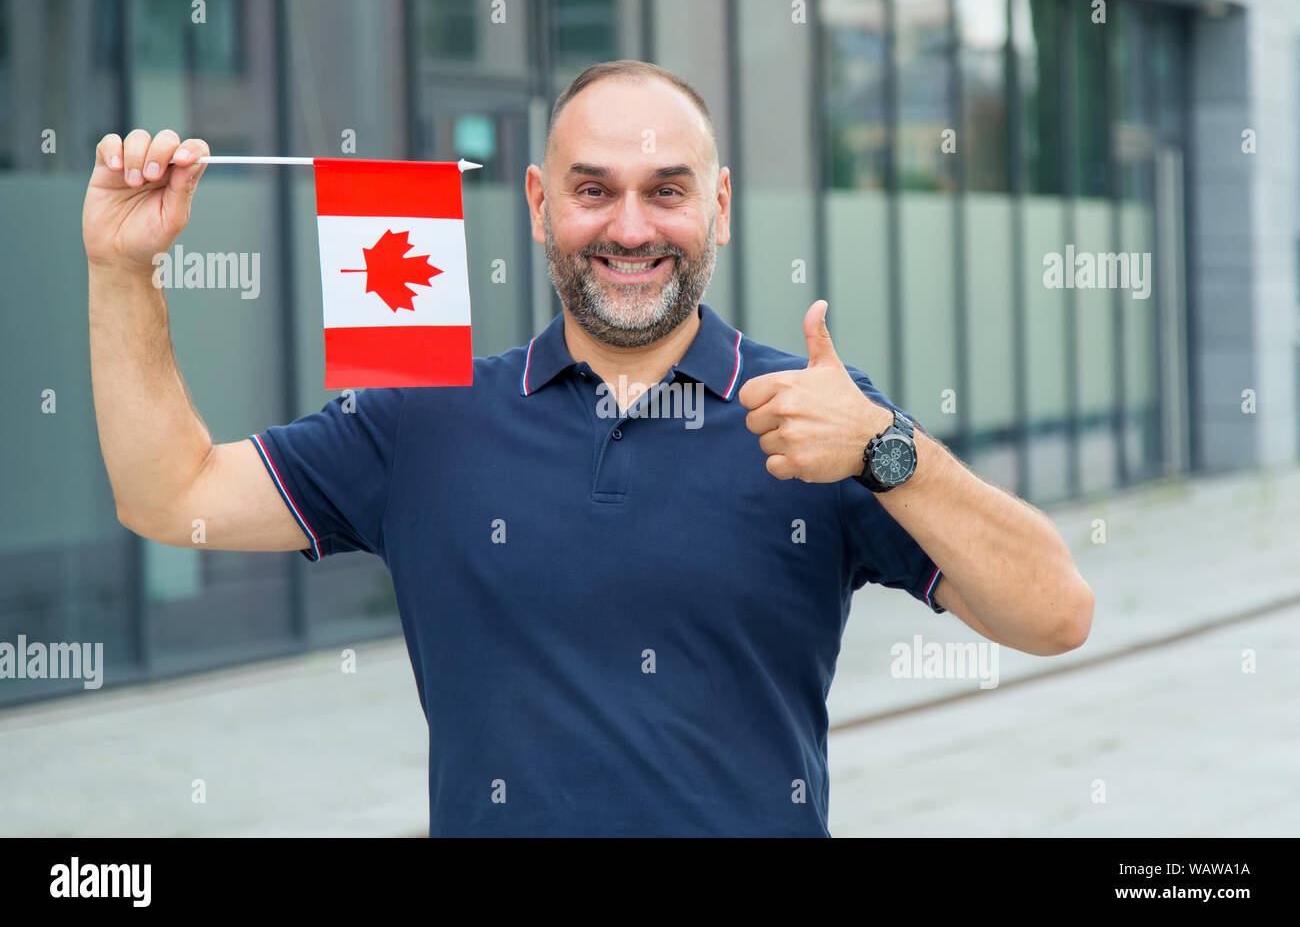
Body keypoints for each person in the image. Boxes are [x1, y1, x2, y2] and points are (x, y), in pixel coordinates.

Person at [83, 59, 1092, 837]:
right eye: (592, 189)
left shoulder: (816, 414)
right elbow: (170, 494)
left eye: (667, 189)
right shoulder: (420, 417)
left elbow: (1055, 615)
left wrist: (885, 444)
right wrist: (123, 270)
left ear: (721, 207)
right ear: (535, 204)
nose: (630, 226)